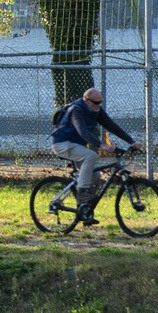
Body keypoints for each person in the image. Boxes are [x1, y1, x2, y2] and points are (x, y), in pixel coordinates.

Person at [51, 87, 141, 224]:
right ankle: (82, 193)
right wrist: (101, 145)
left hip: (76, 146)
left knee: (95, 176)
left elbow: (112, 126)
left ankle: (85, 211)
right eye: (96, 102)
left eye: (101, 102)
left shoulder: (96, 109)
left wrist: (132, 142)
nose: (99, 105)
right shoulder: (77, 109)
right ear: (86, 100)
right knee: (91, 155)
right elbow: (82, 131)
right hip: (62, 144)